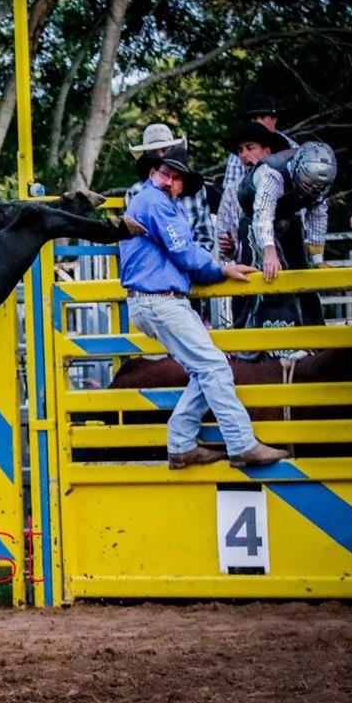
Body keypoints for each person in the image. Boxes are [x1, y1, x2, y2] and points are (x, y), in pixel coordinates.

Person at [119, 145, 289, 470]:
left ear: (183, 185)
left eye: (176, 177)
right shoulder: (154, 202)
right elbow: (183, 251)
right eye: (165, 173)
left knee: (206, 369)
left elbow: (186, 257)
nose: (169, 181)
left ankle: (181, 444)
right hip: (161, 300)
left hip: (155, 301)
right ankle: (241, 443)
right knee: (214, 368)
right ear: (153, 173)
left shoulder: (155, 204)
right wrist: (222, 268)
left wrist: (216, 269)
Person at [234, 141, 336, 332]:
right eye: (308, 186)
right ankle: (250, 334)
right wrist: (269, 252)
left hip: (289, 217)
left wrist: (317, 257)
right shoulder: (272, 173)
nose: (311, 192)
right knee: (263, 271)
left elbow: (318, 214)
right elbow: (262, 215)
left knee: (302, 267)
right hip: (254, 218)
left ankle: (314, 332)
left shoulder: (321, 184)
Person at [126, 124, 215, 254]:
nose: (160, 157)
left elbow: (205, 236)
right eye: (153, 153)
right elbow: (138, 241)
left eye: (165, 150)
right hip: (155, 265)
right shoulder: (136, 192)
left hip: (192, 265)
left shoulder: (194, 190)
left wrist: (195, 266)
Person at [215, 122, 292, 261]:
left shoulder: (287, 184)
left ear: (267, 151)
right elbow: (224, 236)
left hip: (290, 268)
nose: (244, 155)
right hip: (250, 271)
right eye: (240, 150)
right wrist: (230, 247)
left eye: (250, 148)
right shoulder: (232, 191)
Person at [221, 94, 297, 198]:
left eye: (262, 117)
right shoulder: (239, 153)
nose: (258, 122)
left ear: (274, 119)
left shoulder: (293, 149)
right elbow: (231, 194)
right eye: (253, 118)